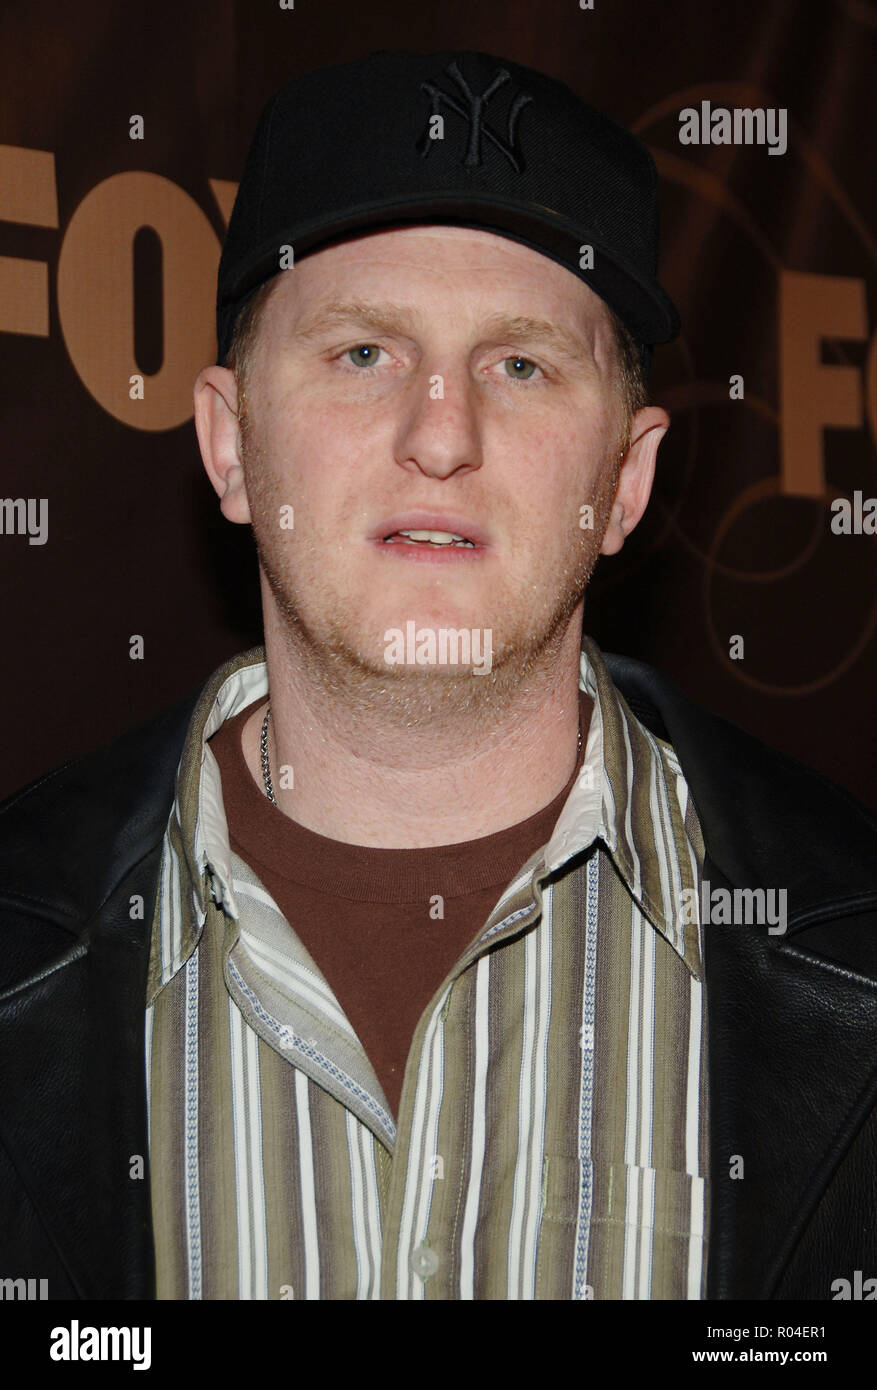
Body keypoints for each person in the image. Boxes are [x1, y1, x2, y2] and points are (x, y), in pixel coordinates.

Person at [1, 49, 875, 1303]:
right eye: (362, 352)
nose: (440, 433)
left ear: (624, 484)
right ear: (229, 442)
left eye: (520, 364)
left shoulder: (853, 958)